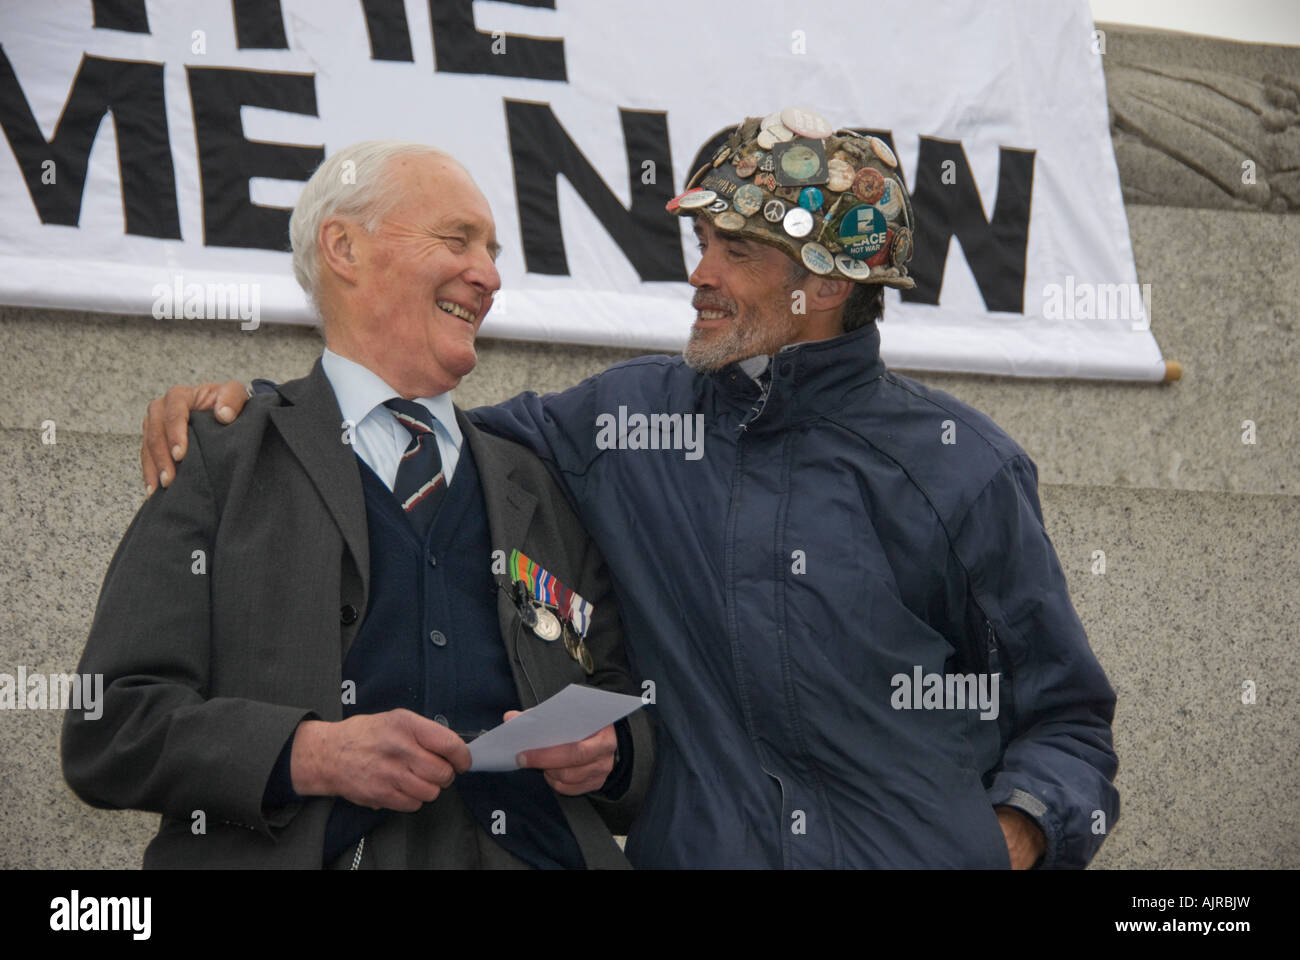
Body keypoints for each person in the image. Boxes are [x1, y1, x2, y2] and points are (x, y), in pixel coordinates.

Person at [139, 110, 1119, 869]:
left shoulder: (962, 467)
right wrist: (253, 412)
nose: (699, 275)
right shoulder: (625, 419)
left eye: (735, 251)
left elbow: (1065, 714)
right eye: (701, 245)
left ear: (823, 284)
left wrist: (1008, 841)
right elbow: (426, 436)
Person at [63, 141, 653, 869]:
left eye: (493, 251)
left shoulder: (536, 481)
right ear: (343, 247)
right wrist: (306, 754)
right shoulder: (222, 458)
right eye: (457, 239)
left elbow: (628, 698)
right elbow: (108, 727)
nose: (490, 275)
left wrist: (611, 753)